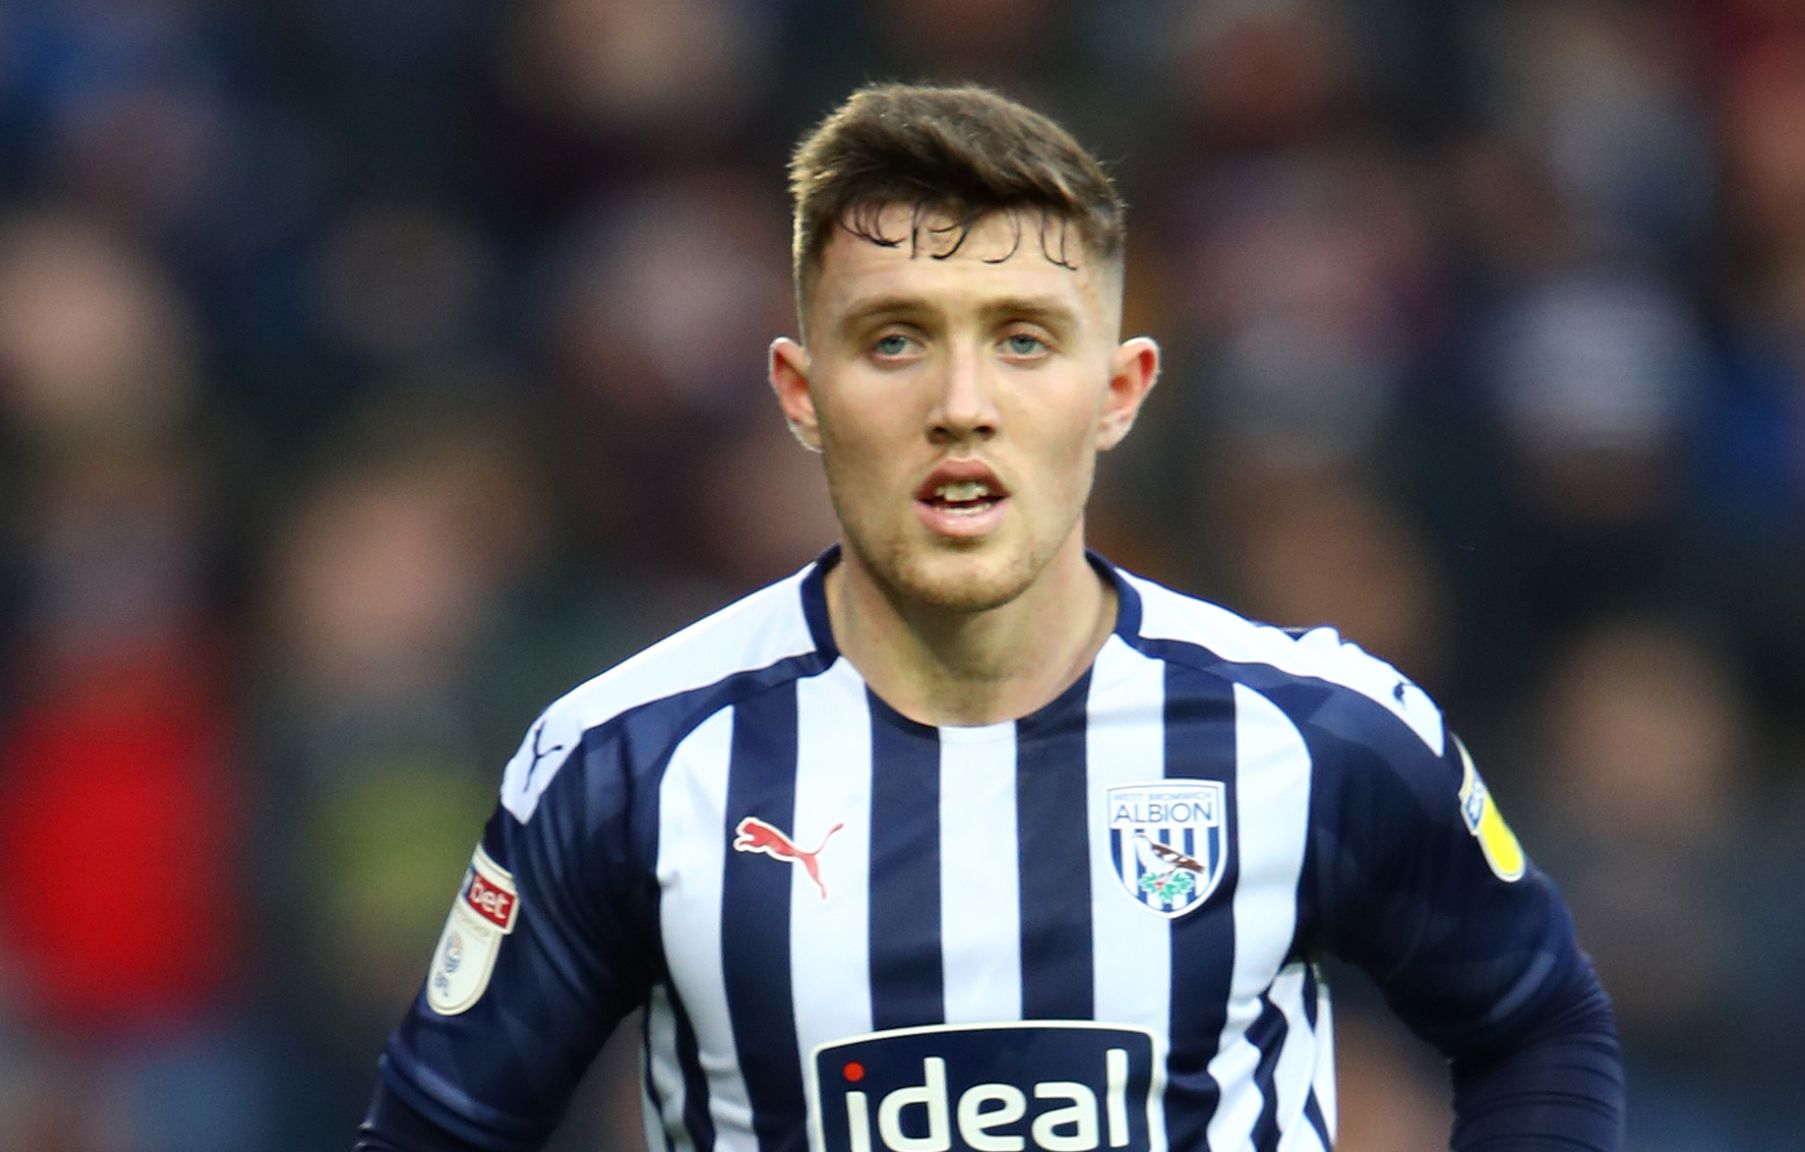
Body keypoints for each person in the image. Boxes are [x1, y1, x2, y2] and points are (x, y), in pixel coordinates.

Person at [356, 83, 1623, 1152]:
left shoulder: (1315, 736)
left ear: (1117, 390)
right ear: (801, 392)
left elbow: (1535, 1025)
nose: (962, 405)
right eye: (895, 340)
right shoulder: (627, 764)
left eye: (1023, 340)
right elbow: (441, 1127)